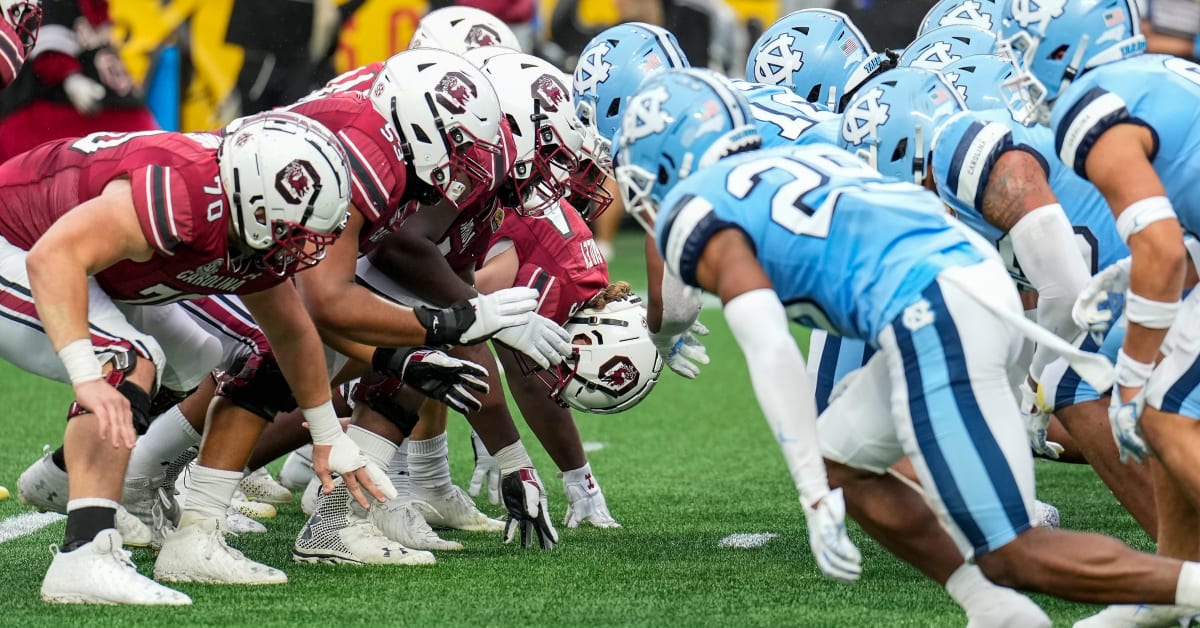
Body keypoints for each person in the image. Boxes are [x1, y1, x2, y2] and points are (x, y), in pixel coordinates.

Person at [615, 66, 1200, 625]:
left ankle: (1184, 588)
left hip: (933, 311)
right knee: (841, 459)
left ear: (667, 162)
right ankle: (994, 610)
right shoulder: (804, 156)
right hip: (977, 282)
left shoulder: (694, 209)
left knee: (1011, 552)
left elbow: (769, 345)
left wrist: (810, 493)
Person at [0, 110, 373, 604]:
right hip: (25, 244)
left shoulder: (244, 210)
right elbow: (53, 257)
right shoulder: (181, 195)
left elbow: (292, 329)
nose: (304, 246)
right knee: (130, 360)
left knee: (196, 358)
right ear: (253, 201)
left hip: (85, 257)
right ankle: (84, 556)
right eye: (295, 229)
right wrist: (87, 373)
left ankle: (63, 475)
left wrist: (327, 436)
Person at [1000, 0, 1200, 622]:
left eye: (1022, 51)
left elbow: (1164, 252)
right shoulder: (1157, 73)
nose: (1019, 71)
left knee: (1159, 405)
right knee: (1174, 397)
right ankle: (1173, 583)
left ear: (1061, 48)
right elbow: (1177, 240)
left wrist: (1131, 381)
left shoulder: (1091, 103)